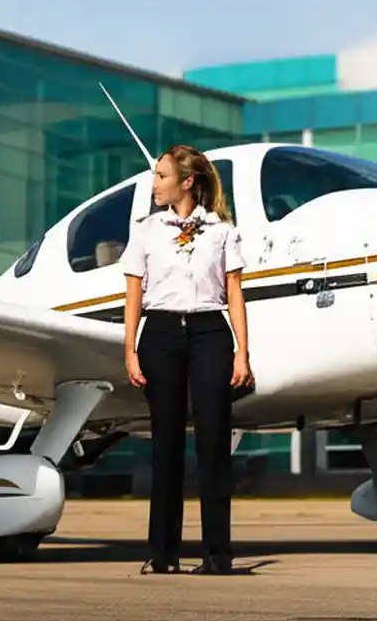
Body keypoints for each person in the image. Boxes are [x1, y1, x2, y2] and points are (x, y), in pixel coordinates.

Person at [120, 144, 253, 576]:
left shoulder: (222, 230)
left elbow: (234, 292)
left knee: (213, 444)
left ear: (187, 181)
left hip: (210, 333)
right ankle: (163, 553)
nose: (154, 183)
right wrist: (130, 350)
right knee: (167, 446)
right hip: (158, 335)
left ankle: (217, 553)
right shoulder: (144, 230)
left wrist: (242, 354)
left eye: (161, 176)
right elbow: (134, 294)